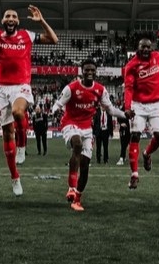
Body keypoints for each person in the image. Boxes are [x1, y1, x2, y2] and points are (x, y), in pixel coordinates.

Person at [0, 0, 59, 196]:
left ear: (18, 21)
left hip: (21, 85)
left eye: (14, 16)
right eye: (7, 16)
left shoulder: (26, 35)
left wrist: (41, 20)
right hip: (1, 89)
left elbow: (54, 39)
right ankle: (15, 177)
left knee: (18, 112)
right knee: (7, 133)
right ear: (3, 20)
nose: (10, 18)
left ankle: (22, 146)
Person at [51, 60, 125, 211]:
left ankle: (77, 199)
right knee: (77, 145)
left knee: (85, 166)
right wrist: (55, 111)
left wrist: (125, 114)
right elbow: (57, 104)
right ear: (82, 71)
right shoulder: (71, 88)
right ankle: (71, 187)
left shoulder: (100, 90)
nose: (89, 72)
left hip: (87, 129)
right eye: (87, 70)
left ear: (96, 72)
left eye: (92, 70)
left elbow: (111, 110)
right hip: (70, 124)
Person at [121, 28, 159, 189]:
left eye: (148, 47)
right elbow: (129, 88)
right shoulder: (131, 66)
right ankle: (134, 175)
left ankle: (146, 154)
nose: (145, 49)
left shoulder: (158, 57)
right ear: (137, 48)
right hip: (138, 105)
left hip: (156, 104)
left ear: (151, 48)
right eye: (142, 47)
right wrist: (127, 107)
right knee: (135, 136)